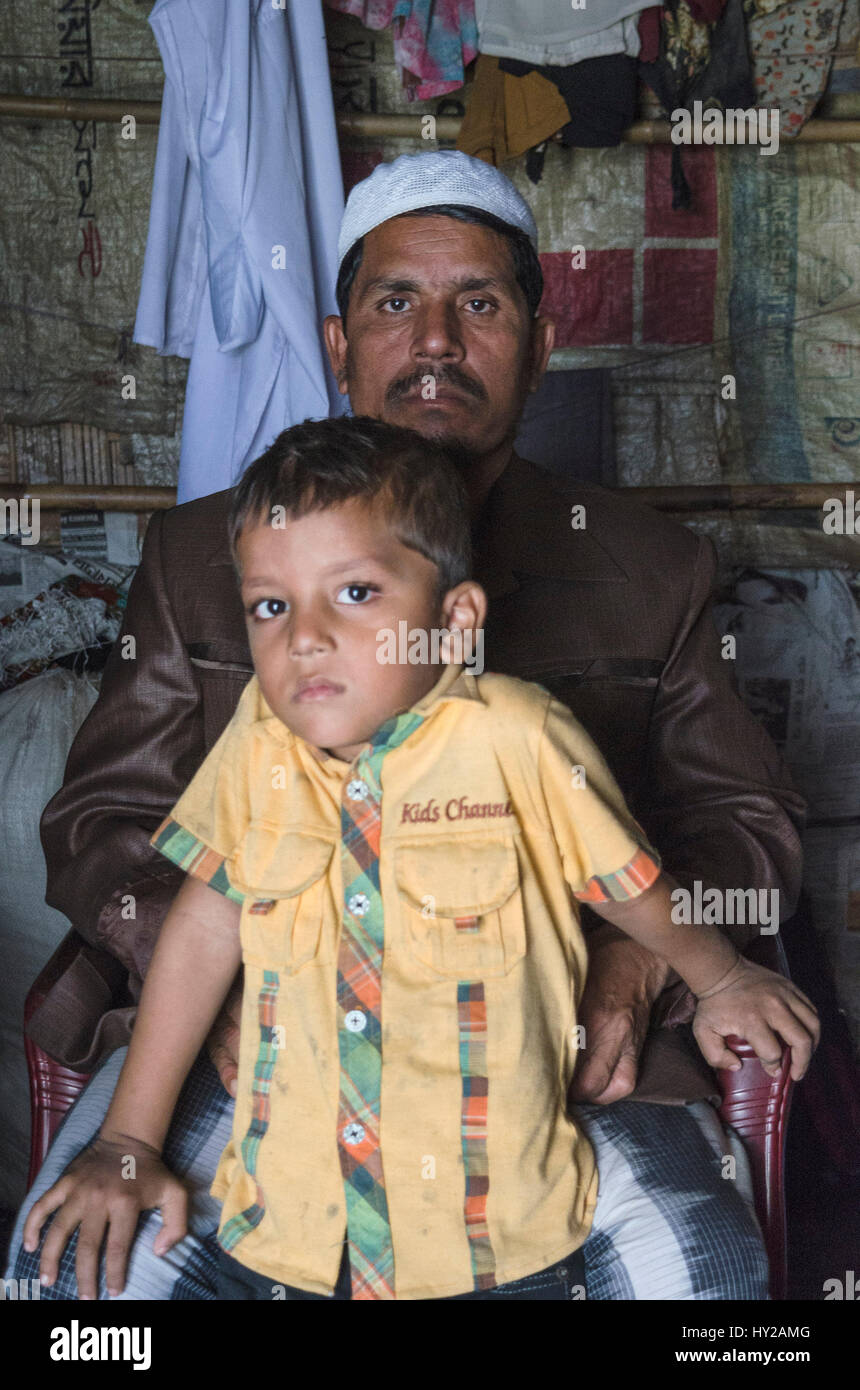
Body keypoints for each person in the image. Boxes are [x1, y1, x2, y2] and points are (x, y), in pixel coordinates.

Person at [8, 151, 806, 1301]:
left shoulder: (649, 567)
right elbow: (102, 826)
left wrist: (630, 969)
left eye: (476, 304)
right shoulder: (202, 556)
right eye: (394, 304)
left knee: (706, 1289)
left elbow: (741, 819)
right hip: (243, 1038)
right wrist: (249, 993)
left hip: (552, 1056)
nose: (434, 340)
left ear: (537, 346)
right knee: (69, 1285)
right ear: (338, 344)